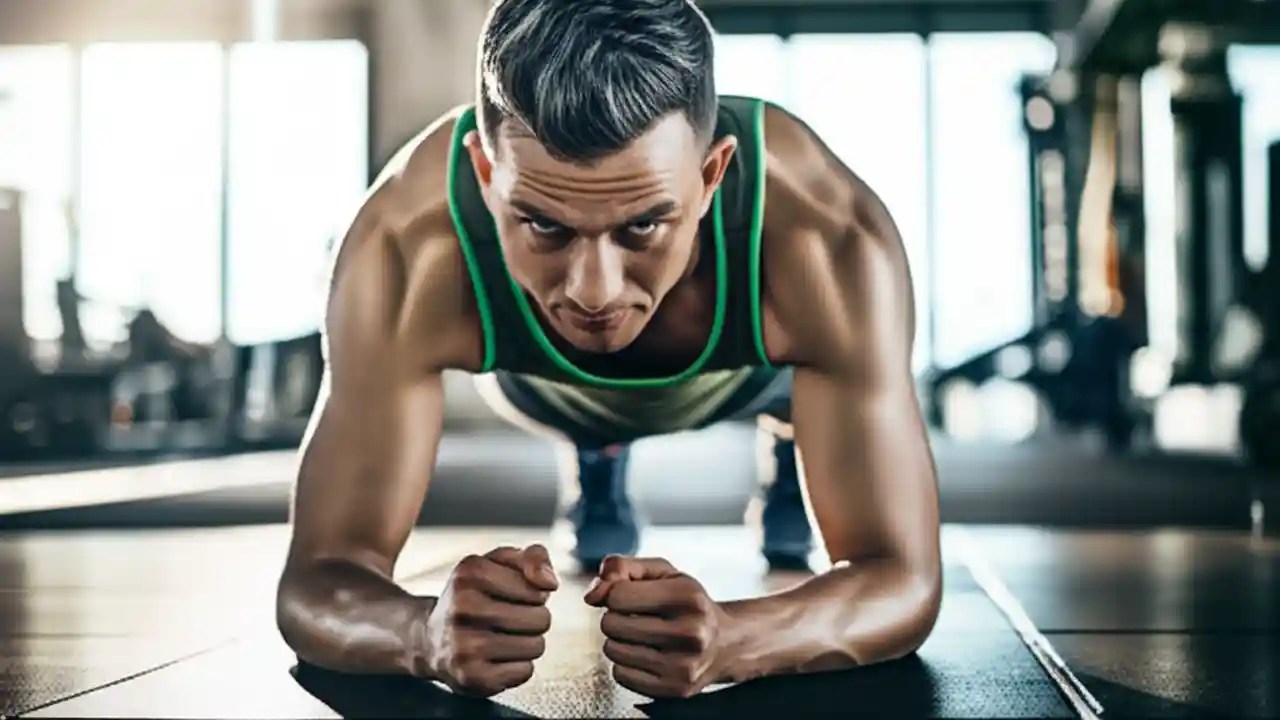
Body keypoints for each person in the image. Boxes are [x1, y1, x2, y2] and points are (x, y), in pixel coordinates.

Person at [276, 0, 942, 701]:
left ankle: (791, 448)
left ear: (713, 175)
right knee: (596, 459)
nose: (594, 292)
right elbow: (316, 582)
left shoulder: (823, 229)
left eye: (644, 224)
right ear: (482, 170)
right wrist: (423, 634)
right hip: (543, 387)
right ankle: (598, 454)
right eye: (543, 224)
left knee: (807, 403)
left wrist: (738, 639)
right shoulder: (407, 242)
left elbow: (904, 579)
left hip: (756, 378)